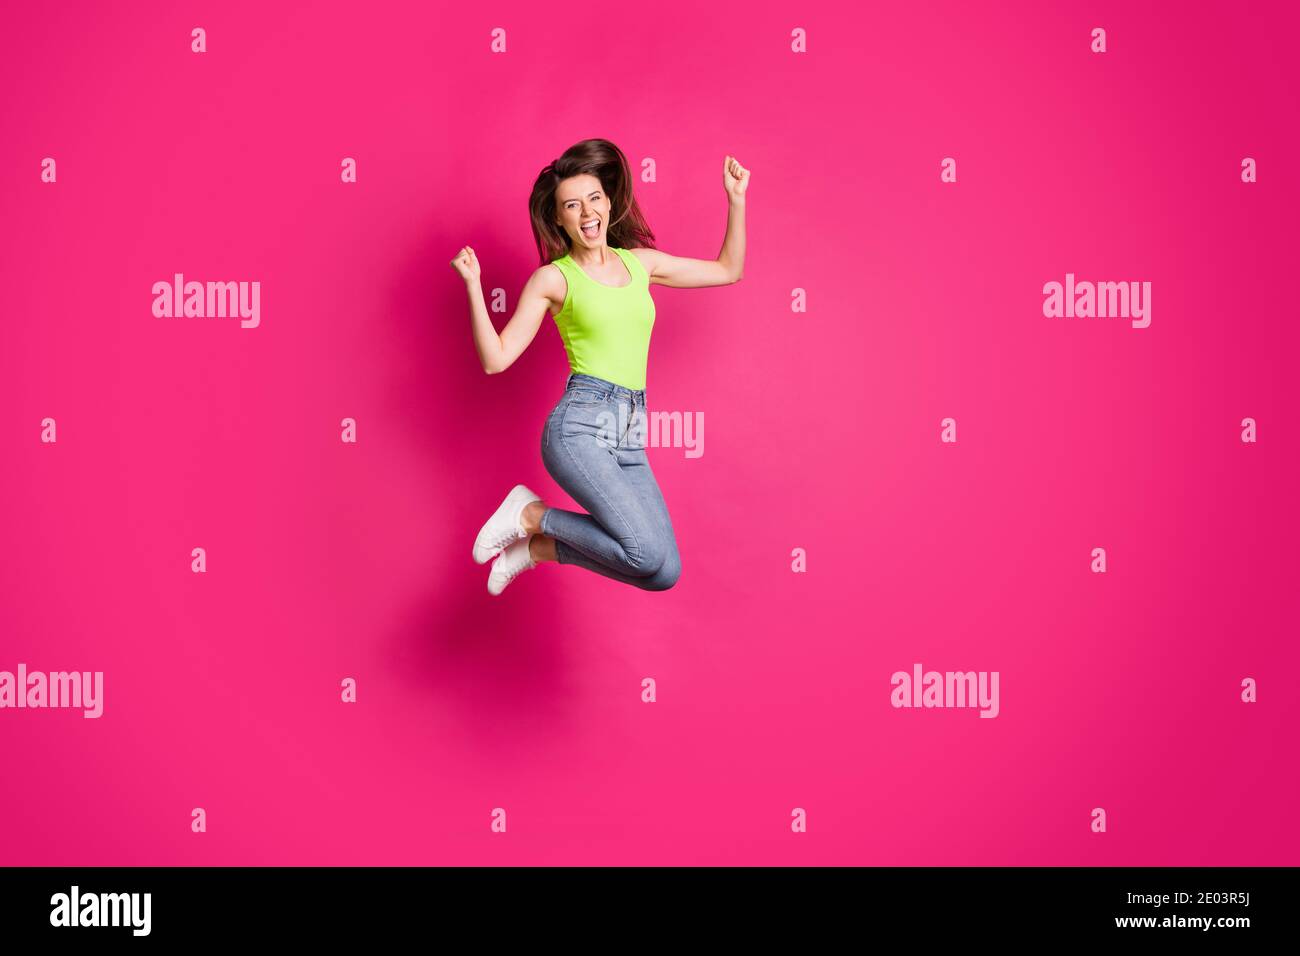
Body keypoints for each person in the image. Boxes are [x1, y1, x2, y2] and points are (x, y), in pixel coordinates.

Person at [450, 138, 749, 595]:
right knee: (645, 552)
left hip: (630, 431)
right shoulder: (555, 278)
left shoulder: (641, 264)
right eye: (572, 205)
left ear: (609, 202)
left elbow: (729, 269)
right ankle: (530, 514)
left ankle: (534, 548)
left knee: (663, 571)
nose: (587, 212)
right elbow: (496, 360)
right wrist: (474, 286)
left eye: (594, 198)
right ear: (558, 218)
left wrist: (736, 199)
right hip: (580, 427)